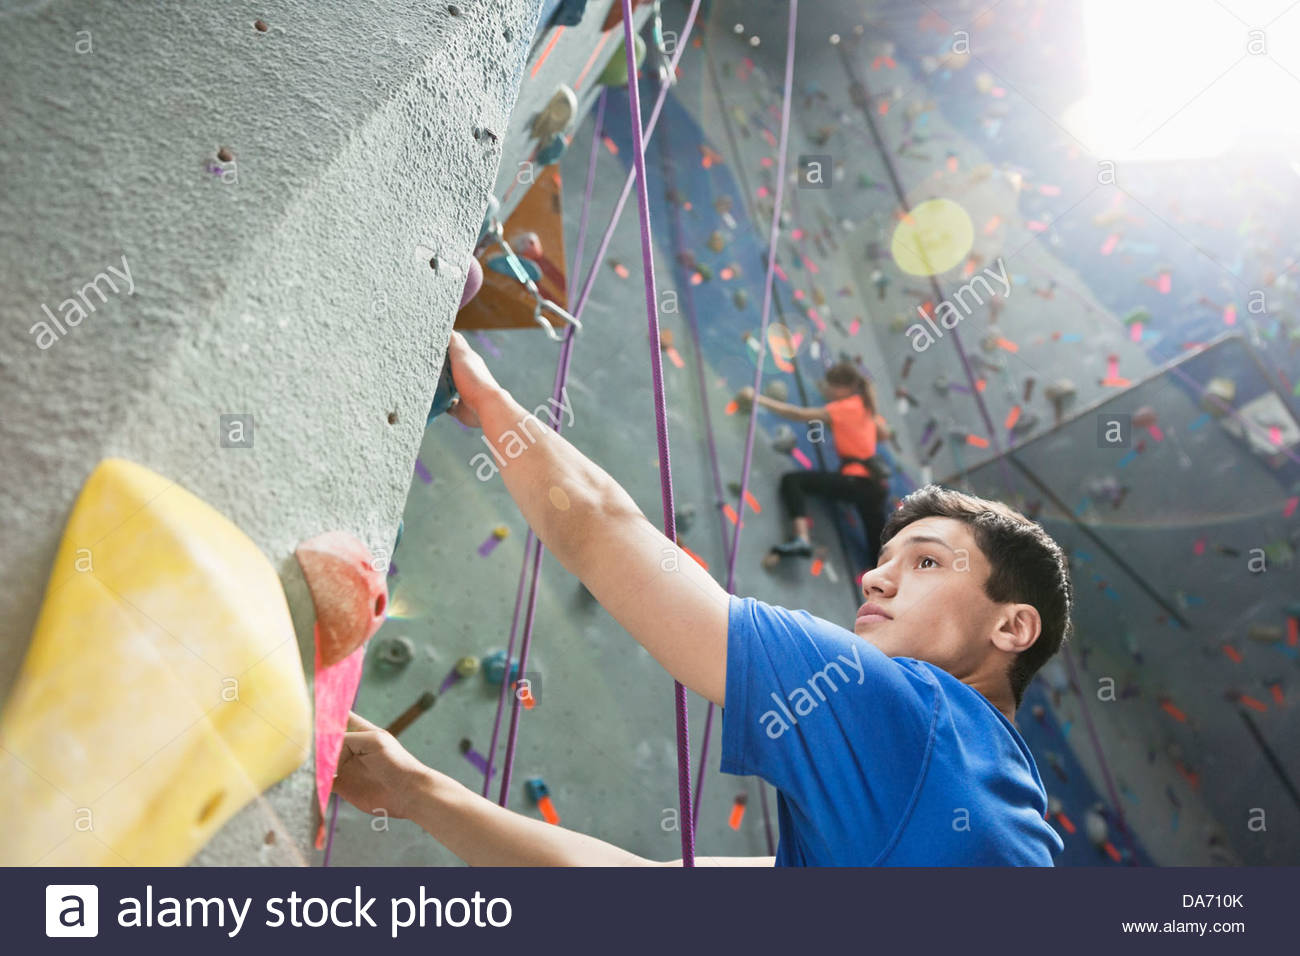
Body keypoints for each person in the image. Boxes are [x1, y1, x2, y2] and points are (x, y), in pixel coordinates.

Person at [333, 331, 1072, 866]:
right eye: (882, 561)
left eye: (928, 562)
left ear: (1013, 625)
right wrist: (419, 791)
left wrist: (487, 400)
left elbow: (600, 531)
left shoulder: (913, 718)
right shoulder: (995, 807)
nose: (875, 579)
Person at [736, 362, 892, 570]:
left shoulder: (845, 407)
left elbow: (797, 414)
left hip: (856, 482)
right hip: (872, 487)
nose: (826, 391)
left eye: (829, 387)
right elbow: (883, 434)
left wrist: (756, 398)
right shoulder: (864, 406)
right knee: (877, 553)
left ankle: (802, 539)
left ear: (842, 389)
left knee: (793, 481)